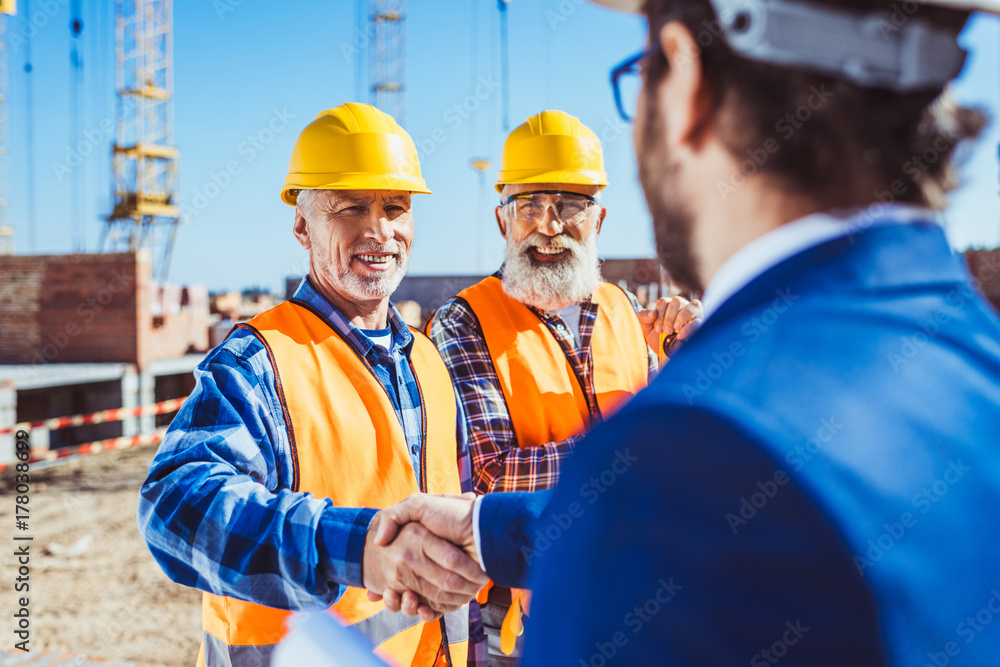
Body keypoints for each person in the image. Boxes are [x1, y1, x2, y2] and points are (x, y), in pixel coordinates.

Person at [374, 0, 1000, 664]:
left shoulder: (678, 463)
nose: (549, 223)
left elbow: (674, 508)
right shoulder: (974, 359)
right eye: (530, 204)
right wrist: (485, 526)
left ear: (686, 80)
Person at [137, 103, 489, 667]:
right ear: (302, 225)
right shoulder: (260, 360)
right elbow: (175, 504)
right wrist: (358, 548)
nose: (380, 230)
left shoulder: (428, 363)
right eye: (351, 207)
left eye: (396, 207)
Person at [426, 109, 701, 662]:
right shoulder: (465, 321)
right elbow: (491, 474)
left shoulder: (624, 309)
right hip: (524, 606)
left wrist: (690, 359)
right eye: (529, 206)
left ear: (598, 219)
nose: (549, 226)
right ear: (504, 221)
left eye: (570, 206)